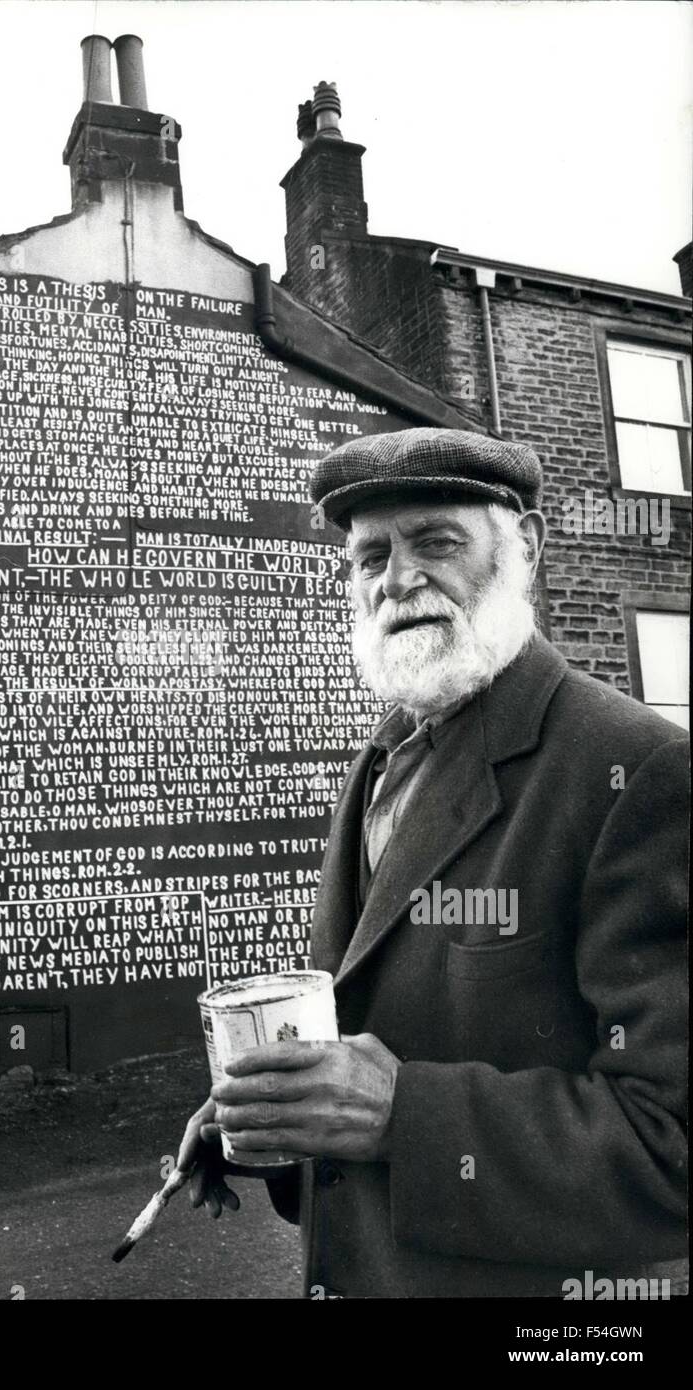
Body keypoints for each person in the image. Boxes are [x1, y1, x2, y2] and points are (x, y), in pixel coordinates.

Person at [178, 428, 688, 1298]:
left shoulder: (639, 770)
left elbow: (669, 1144)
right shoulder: (385, 758)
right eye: (370, 554)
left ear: (524, 546)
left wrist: (397, 1115)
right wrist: (285, 1113)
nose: (398, 579)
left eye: (437, 542)